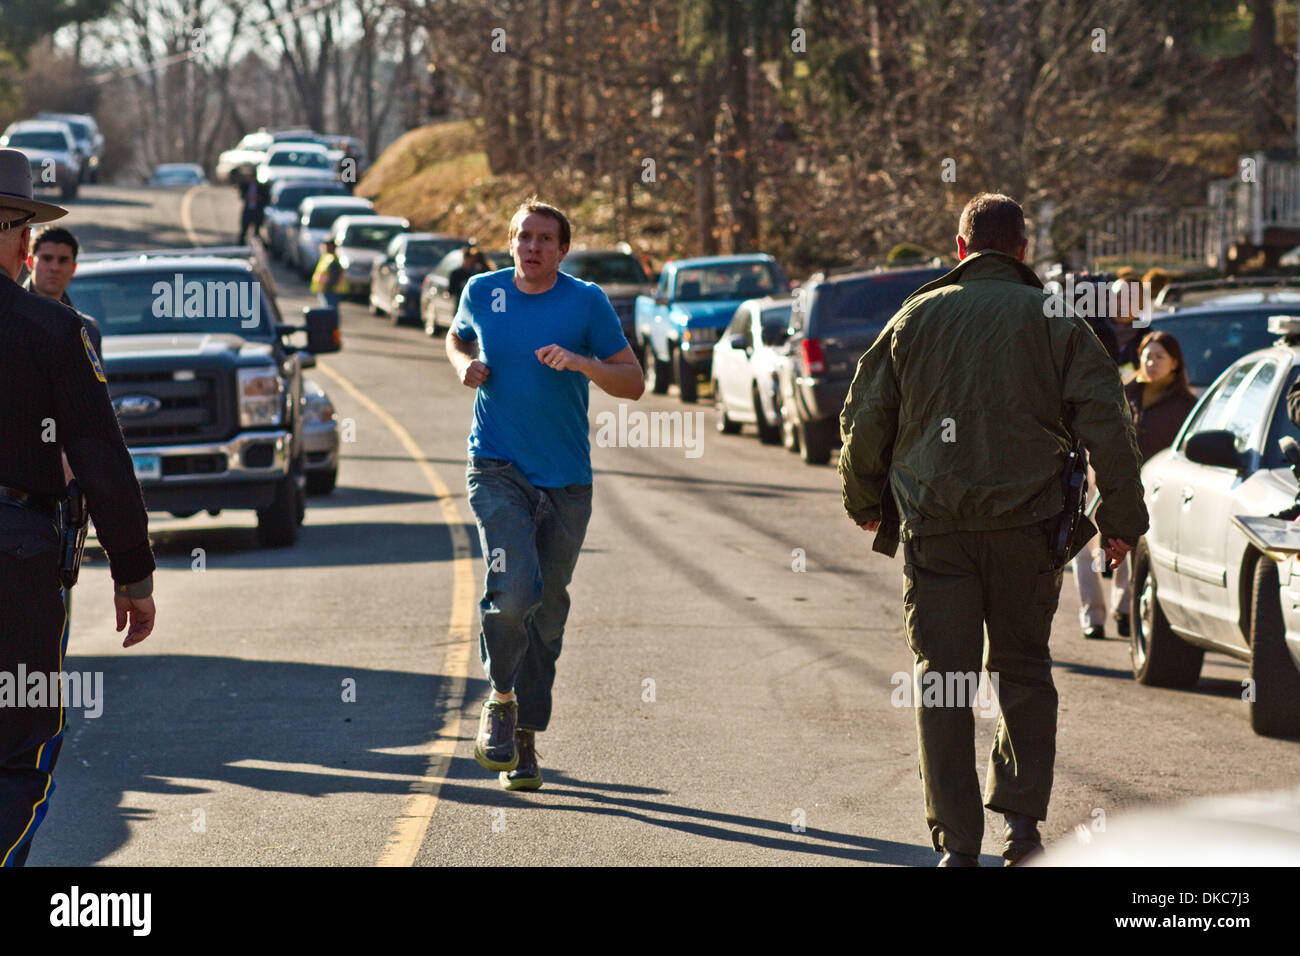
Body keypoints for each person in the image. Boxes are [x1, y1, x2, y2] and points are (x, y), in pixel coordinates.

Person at [839, 192, 1148, 867]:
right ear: (1023, 249)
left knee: (941, 681)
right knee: (1024, 674)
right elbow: (1109, 420)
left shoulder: (915, 316)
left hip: (937, 529)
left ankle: (956, 844)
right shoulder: (1056, 319)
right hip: (1029, 530)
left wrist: (863, 496)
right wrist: (1120, 519)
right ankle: (1022, 827)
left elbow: (866, 419)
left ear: (960, 248)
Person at [445, 197, 642, 790]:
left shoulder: (586, 303)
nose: (532, 247)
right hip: (497, 466)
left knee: (547, 613)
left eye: (544, 239)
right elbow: (457, 338)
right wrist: (465, 363)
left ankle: (524, 737)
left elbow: (631, 383)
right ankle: (500, 700)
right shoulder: (483, 291)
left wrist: (583, 362)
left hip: (566, 481)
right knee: (514, 592)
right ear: (511, 242)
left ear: (561, 248)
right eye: (523, 237)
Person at [0, 148, 156, 867]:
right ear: (22, 239)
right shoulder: (55, 331)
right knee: (18, 748)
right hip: (20, 556)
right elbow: (100, 457)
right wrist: (133, 572)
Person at [1076, 330, 1195, 639]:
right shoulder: (1124, 391)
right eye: (1146, 356)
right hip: (1104, 479)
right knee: (1085, 548)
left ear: (1175, 363)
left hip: (1152, 488)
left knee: (1127, 545)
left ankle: (1124, 608)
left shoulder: (1186, 404)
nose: (1151, 362)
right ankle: (1092, 615)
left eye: (1159, 357)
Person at [24, 225, 101, 354]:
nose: (55, 267)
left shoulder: (86, 331)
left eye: (63, 260)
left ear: (74, 268)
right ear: (30, 262)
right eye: (47, 258)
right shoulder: (6, 316)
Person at [448, 244, 488, 312]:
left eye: (471, 260)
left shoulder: (478, 273)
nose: (469, 263)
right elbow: (451, 291)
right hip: (461, 307)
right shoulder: (456, 274)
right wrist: (460, 286)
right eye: (467, 260)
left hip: (476, 307)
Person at [310, 238, 347, 308]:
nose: (323, 248)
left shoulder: (332, 259)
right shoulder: (326, 257)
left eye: (325, 246)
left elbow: (334, 277)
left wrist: (327, 287)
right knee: (328, 311)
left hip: (331, 291)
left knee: (330, 311)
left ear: (331, 247)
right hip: (327, 290)